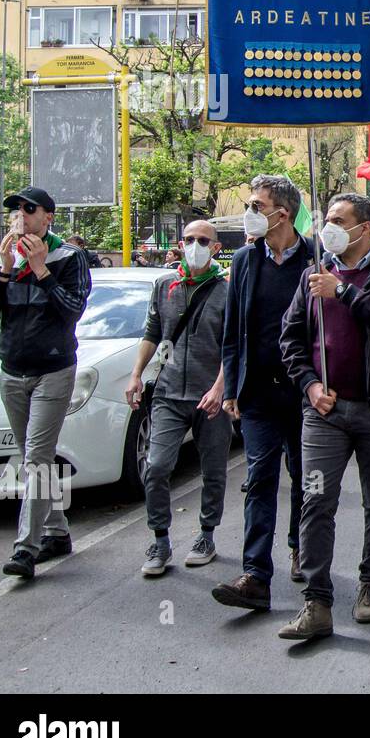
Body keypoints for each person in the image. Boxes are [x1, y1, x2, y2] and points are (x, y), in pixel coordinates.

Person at [276, 193, 370, 640]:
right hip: (325, 413)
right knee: (316, 501)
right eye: (327, 220)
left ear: (364, 228)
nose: (329, 227)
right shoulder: (312, 277)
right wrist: (310, 384)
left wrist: (341, 291)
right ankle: (317, 602)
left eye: (339, 220)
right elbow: (291, 340)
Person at [0, 187, 91, 580]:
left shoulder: (69, 257)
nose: (20, 217)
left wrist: (41, 270)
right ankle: (56, 531)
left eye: (28, 209)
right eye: (14, 211)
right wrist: (4, 270)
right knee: (32, 456)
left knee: (36, 458)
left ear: (48, 217)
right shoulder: (1, 258)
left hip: (53, 370)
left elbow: (72, 311)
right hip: (12, 370)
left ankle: (26, 548)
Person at [212, 175, 312, 612]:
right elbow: (234, 330)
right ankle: (255, 575)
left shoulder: (317, 259)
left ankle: (299, 546)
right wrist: (232, 386)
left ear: (282, 213)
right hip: (257, 394)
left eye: (256, 204)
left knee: (307, 478)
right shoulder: (244, 260)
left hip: (305, 392)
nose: (249, 211)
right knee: (258, 480)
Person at [126, 220, 230, 574]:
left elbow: (234, 346)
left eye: (203, 240)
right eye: (189, 239)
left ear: (216, 247)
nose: (195, 245)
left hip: (210, 396)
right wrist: (137, 374)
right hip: (169, 392)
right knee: (156, 467)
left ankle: (206, 534)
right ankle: (159, 540)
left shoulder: (226, 289)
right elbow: (152, 332)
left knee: (213, 470)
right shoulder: (164, 284)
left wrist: (221, 388)